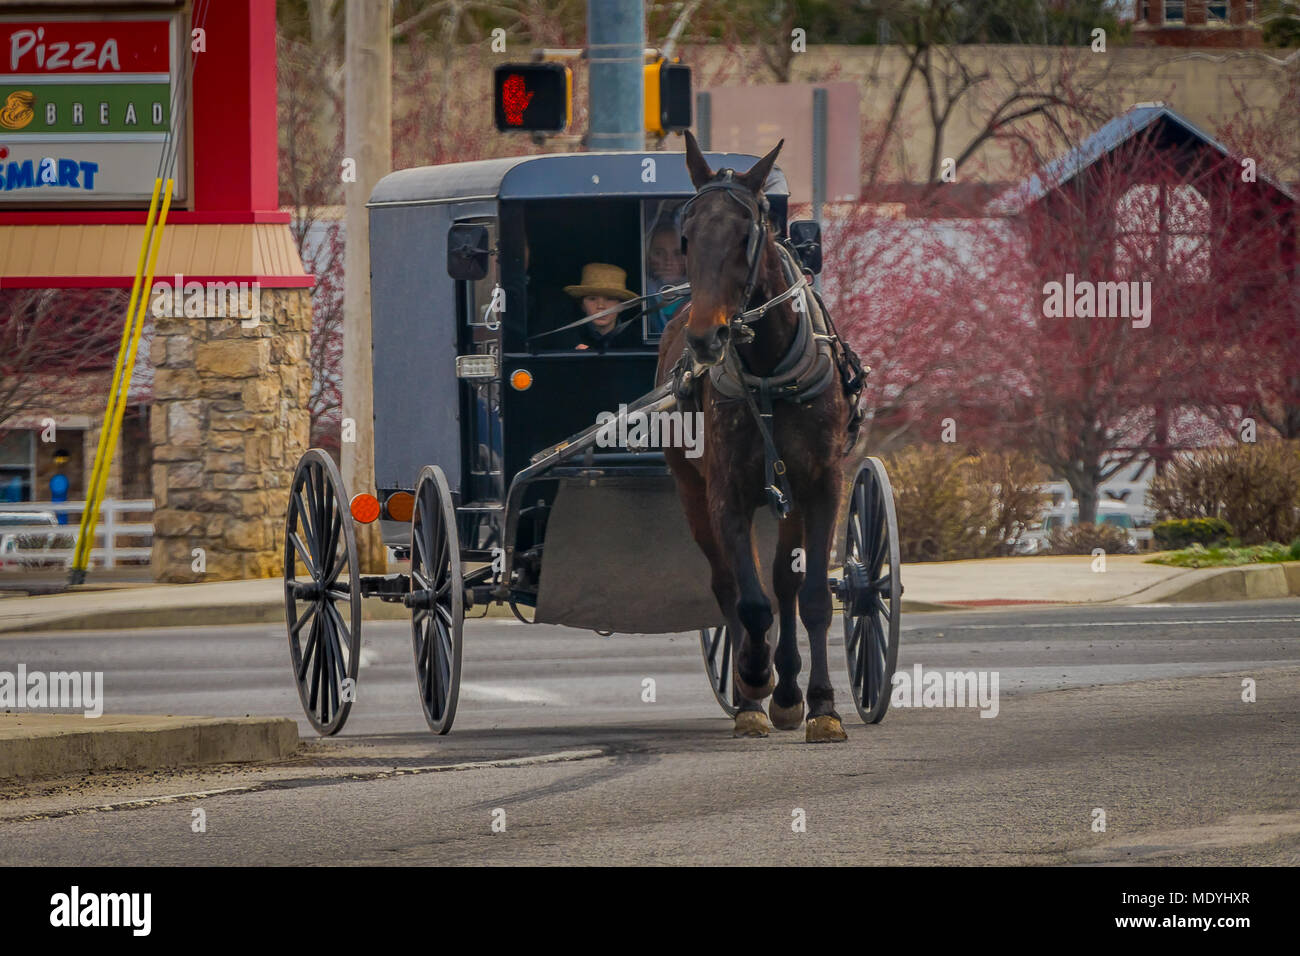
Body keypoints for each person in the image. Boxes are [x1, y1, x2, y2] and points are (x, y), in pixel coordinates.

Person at [562, 263, 642, 350]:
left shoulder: (637, 340)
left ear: (621, 306)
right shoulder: (566, 340)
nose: (600, 306)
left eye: (610, 299)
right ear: (582, 306)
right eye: (592, 299)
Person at [645, 221, 688, 334]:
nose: (668, 261)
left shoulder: (700, 299)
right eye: (659, 253)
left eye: (677, 253)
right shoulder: (641, 297)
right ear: (648, 257)